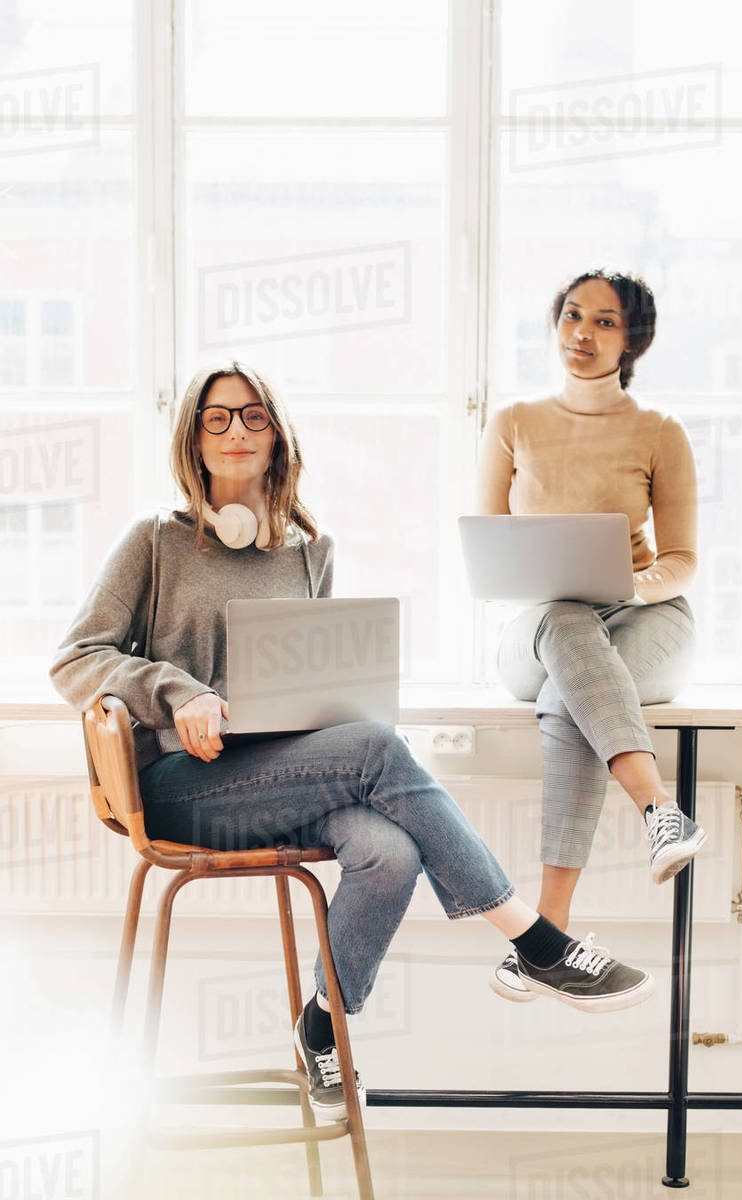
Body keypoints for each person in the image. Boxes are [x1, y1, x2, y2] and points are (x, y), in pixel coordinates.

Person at [51, 359, 656, 1123]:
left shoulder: (311, 549)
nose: (236, 430)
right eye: (217, 418)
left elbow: (319, 691)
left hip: (281, 775)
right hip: (182, 790)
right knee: (373, 749)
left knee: (390, 851)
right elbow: (74, 659)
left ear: (276, 434)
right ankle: (536, 941)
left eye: (253, 416)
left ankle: (321, 1028)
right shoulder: (156, 544)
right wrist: (182, 693)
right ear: (194, 441)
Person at [475, 269, 707, 1002]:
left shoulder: (659, 433)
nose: (582, 332)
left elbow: (682, 561)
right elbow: (487, 546)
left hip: (643, 624)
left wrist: (625, 585)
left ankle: (545, 938)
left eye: (604, 322)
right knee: (566, 628)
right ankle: (660, 813)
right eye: (573, 315)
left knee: (569, 692)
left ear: (632, 339)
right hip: (539, 625)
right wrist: (565, 589)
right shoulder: (513, 423)